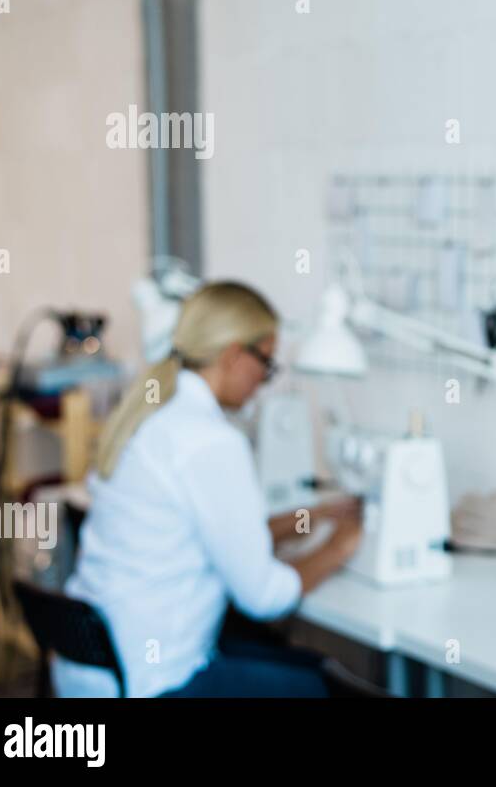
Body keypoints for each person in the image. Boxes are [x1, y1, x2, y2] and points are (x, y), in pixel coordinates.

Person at [53, 281, 363, 697]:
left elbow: (218, 535)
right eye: (267, 364)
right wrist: (340, 549)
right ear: (235, 355)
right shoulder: (210, 440)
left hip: (90, 672)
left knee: (291, 663)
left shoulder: (153, 411)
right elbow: (264, 597)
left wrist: (316, 517)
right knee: (321, 683)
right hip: (154, 683)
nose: (264, 383)